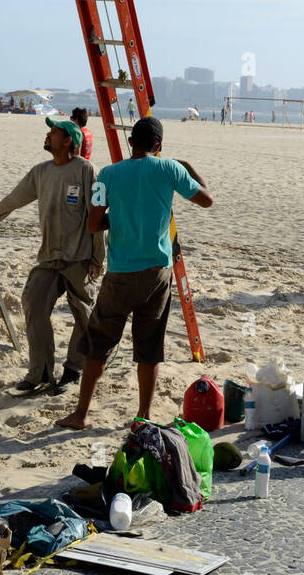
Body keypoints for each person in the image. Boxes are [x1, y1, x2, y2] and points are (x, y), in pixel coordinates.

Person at [56, 116, 213, 430]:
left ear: (130, 143)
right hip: (157, 274)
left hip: (120, 275)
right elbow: (207, 199)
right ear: (158, 146)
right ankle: (143, 415)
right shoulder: (170, 169)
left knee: (98, 343)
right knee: (149, 346)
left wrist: (122, 217)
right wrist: (188, 165)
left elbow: (93, 224)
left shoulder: (108, 174)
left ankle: (81, 414)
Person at [0, 117, 104, 393]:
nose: (48, 135)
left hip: (80, 259)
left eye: (54, 132)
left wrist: (98, 258)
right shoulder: (40, 172)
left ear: (68, 140)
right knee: (34, 304)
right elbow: (13, 200)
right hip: (49, 258)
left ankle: (73, 370)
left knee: (84, 315)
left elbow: (97, 217)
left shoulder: (87, 171)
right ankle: (41, 372)